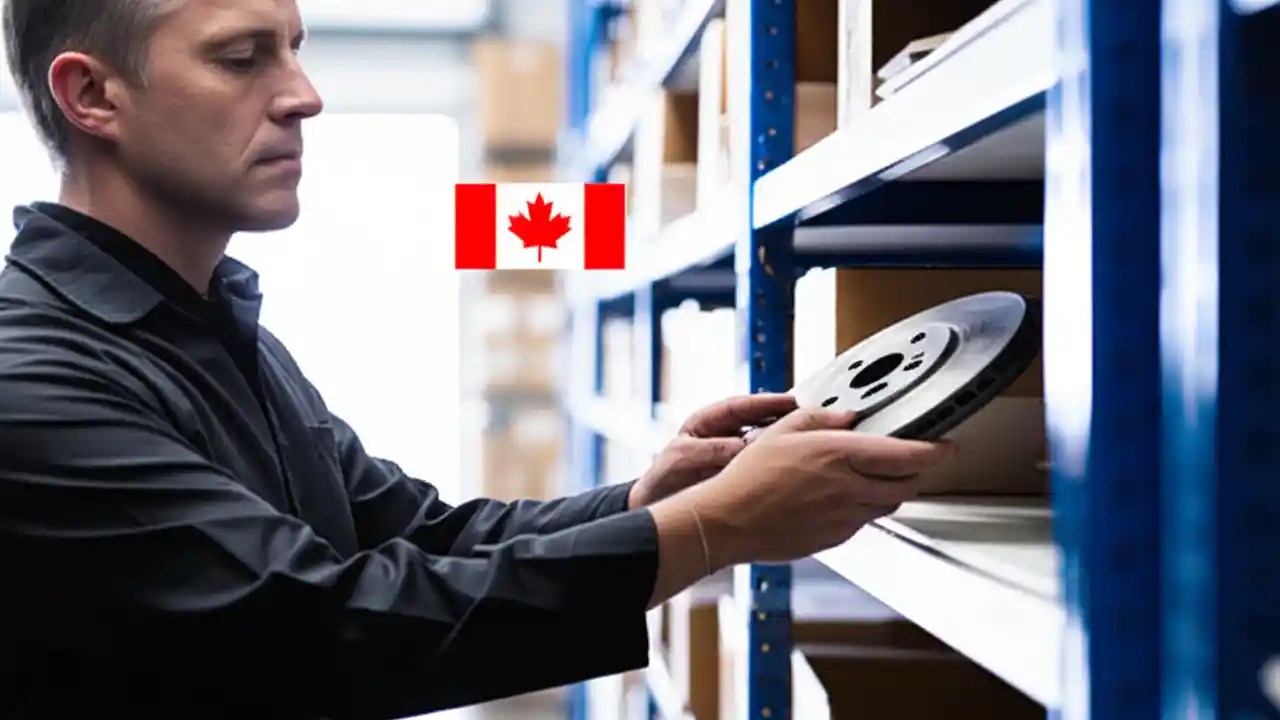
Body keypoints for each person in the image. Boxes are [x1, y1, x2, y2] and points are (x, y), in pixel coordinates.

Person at [0, 0, 956, 717]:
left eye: (296, 50)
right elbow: (324, 627)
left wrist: (650, 498)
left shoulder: (217, 329)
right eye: (241, 59)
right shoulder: (33, 376)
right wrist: (713, 530)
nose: (303, 95)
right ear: (93, 95)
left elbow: (415, 536)